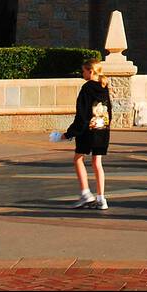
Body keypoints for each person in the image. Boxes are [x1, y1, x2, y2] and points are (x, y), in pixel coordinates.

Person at [63, 58, 112, 210]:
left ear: (90, 71)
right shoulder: (104, 87)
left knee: (78, 158)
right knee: (97, 163)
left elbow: (82, 115)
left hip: (87, 131)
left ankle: (85, 193)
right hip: (102, 129)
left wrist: (69, 133)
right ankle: (101, 198)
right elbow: (109, 110)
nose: (82, 73)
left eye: (83, 71)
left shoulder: (87, 88)